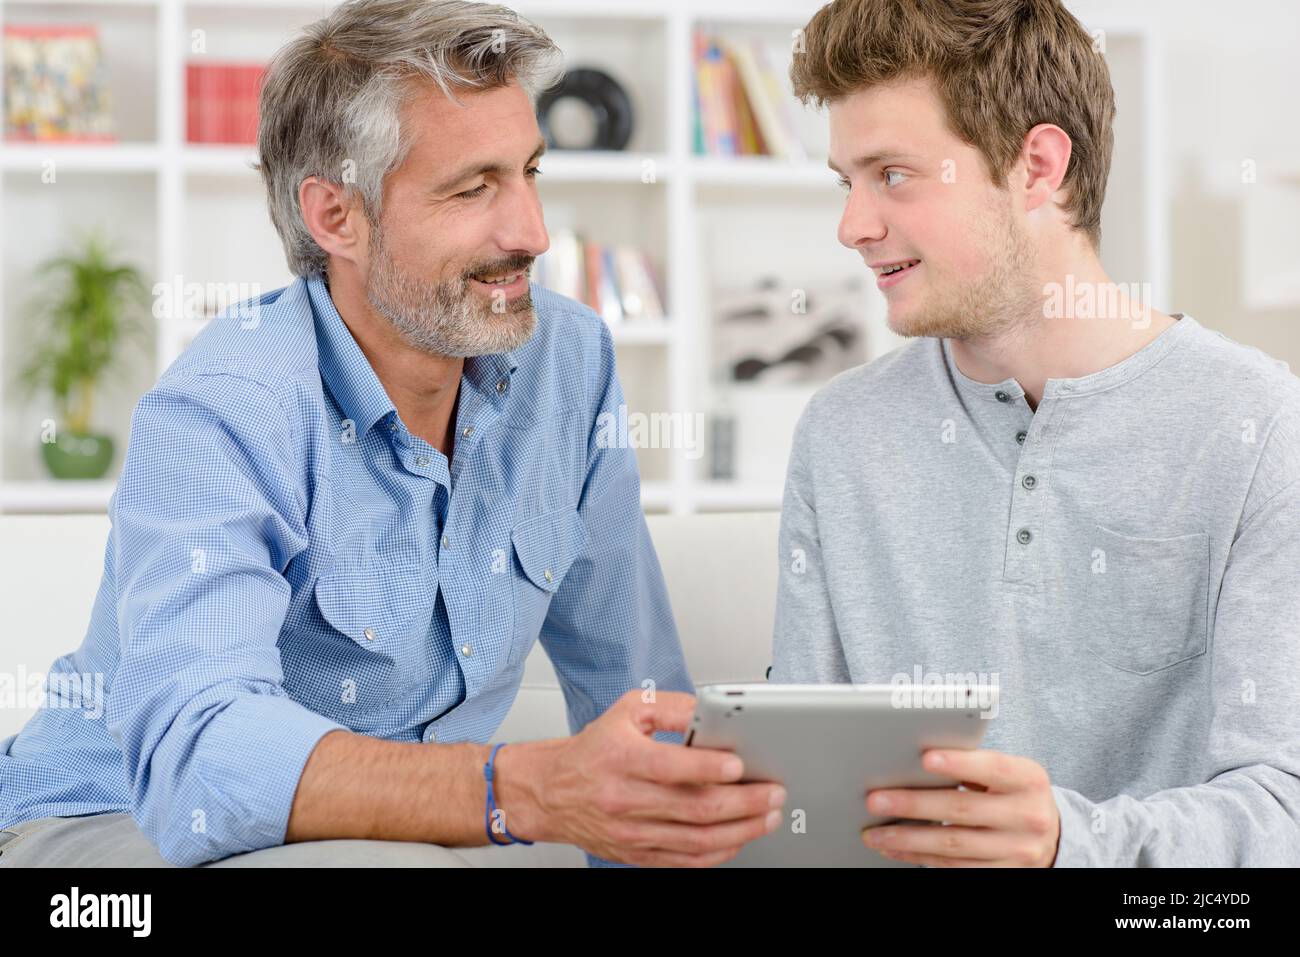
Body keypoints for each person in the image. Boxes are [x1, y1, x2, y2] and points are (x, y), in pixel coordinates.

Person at [0, 0, 783, 869]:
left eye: (530, 171)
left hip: (397, 836)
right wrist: (521, 791)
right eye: (474, 186)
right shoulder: (223, 407)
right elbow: (203, 755)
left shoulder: (571, 362)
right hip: (111, 824)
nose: (532, 232)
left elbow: (632, 689)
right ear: (336, 217)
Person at [771, 0, 1300, 866]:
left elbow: (1284, 811)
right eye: (846, 181)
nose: (853, 225)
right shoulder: (840, 434)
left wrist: (1064, 840)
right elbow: (802, 789)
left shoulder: (1257, 425)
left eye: (893, 174)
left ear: (1037, 166)